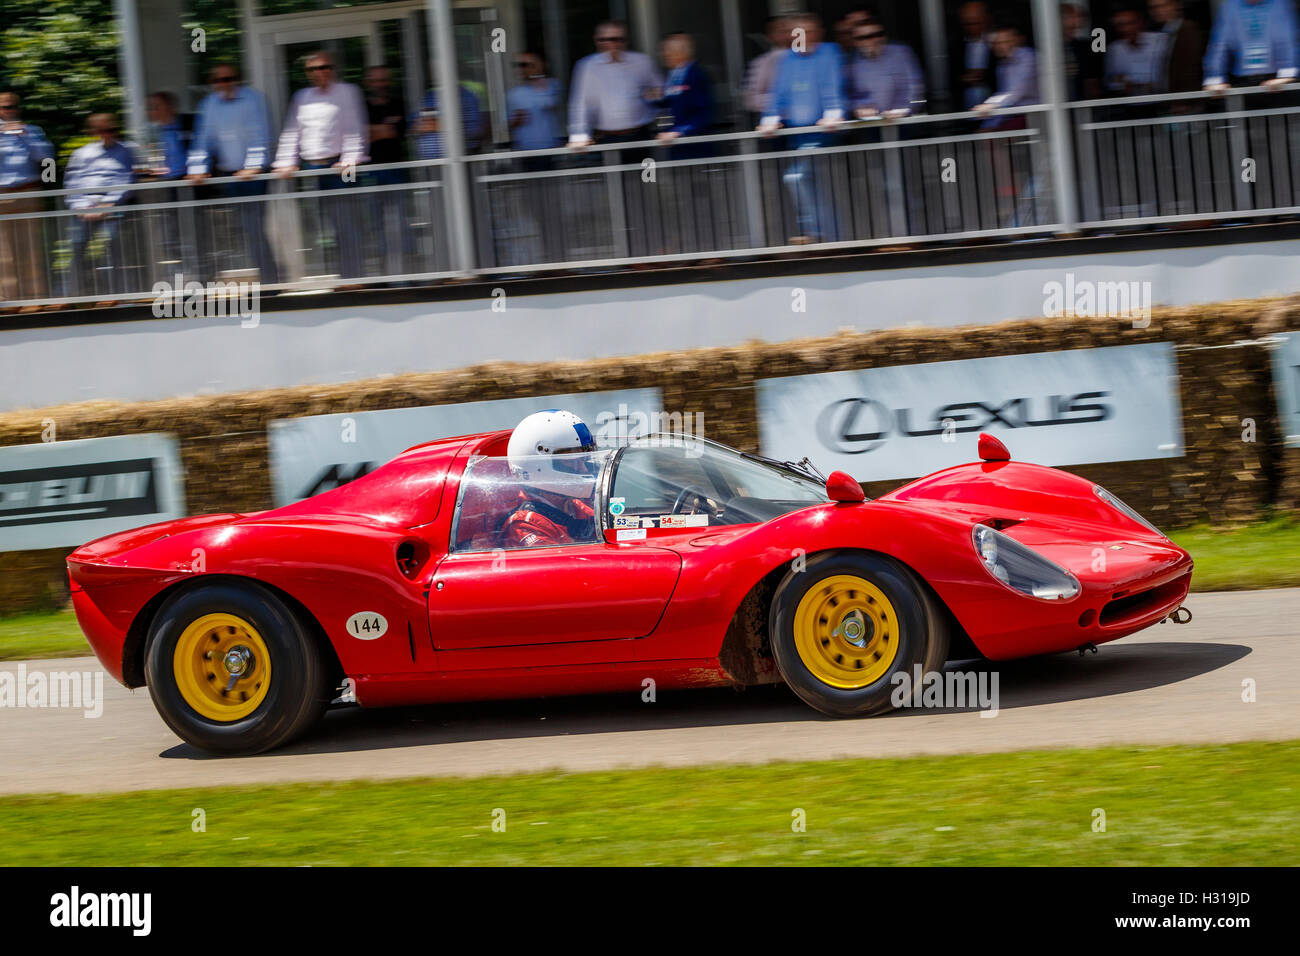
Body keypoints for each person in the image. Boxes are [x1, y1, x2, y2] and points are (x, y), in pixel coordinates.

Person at [274, 51, 369, 288]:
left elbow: (355, 129)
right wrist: (285, 161)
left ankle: (354, 278)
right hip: (312, 169)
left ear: (333, 69)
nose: (320, 72)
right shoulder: (302, 96)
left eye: (325, 67)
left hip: (341, 166)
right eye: (314, 69)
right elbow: (292, 131)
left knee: (347, 222)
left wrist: (350, 159)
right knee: (319, 225)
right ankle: (332, 275)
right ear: (307, 73)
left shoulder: (347, 92)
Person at [186, 64, 279, 285]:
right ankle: (267, 276)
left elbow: (260, 135)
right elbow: (203, 140)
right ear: (212, 83)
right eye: (219, 81)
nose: (224, 84)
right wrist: (198, 169)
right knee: (244, 230)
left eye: (229, 79)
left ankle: (271, 281)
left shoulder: (253, 99)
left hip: (254, 176)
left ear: (237, 79)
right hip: (230, 175)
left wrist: (253, 166)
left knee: (253, 227)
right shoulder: (209, 105)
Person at [757, 12, 845, 244]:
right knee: (802, 180)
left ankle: (825, 235)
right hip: (799, 134)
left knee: (800, 178)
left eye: (806, 32)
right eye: (797, 33)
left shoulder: (829, 52)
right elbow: (780, 93)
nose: (802, 37)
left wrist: (833, 114)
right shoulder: (788, 58)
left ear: (818, 33)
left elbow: (832, 85)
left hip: (824, 132)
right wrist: (771, 118)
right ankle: (818, 233)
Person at [63, 113, 136, 306]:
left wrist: (109, 204)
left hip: (112, 207)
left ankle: (116, 294)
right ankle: (69, 295)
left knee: (112, 243)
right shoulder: (81, 154)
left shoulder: (125, 151)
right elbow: (72, 183)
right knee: (76, 246)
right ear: (93, 132)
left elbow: (126, 180)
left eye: (112, 130)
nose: (108, 134)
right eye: (103, 130)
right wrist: (80, 207)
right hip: (84, 208)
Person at [500, 410, 599, 549]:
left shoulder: (574, 505)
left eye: (582, 459)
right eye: (571, 461)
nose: (584, 469)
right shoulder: (525, 527)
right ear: (538, 465)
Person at [567, 19, 664, 149]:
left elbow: (661, 92)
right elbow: (580, 104)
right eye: (605, 39)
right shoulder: (586, 66)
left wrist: (653, 97)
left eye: (617, 39)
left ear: (625, 40)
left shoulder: (642, 61)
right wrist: (579, 136)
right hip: (606, 138)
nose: (612, 44)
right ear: (597, 40)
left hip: (641, 135)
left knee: (647, 170)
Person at [0, 91, 53, 312]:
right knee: (4, 255)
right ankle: (8, 301)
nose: (8, 111)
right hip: (2, 196)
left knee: (31, 250)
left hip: (27, 193)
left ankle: (33, 299)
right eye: (4, 107)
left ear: (17, 108)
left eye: (11, 107)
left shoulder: (32, 131)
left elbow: (47, 158)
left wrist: (25, 137)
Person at [144, 91, 197, 281]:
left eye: (156, 106)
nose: (152, 111)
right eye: (151, 107)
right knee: (173, 239)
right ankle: (185, 281)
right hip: (169, 187)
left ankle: (202, 280)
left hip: (190, 186)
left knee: (194, 236)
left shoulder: (188, 124)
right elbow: (155, 161)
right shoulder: (154, 132)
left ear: (169, 107)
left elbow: (200, 148)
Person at [363, 64, 411, 279]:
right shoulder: (361, 107)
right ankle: (382, 275)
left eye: (383, 80)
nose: (379, 85)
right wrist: (382, 130)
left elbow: (397, 132)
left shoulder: (399, 104)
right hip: (370, 174)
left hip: (397, 171)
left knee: (399, 223)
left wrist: (375, 130)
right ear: (368, 83)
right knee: (375, 225)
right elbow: (361, 136)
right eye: (375, 81)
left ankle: (403, 274)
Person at [1202, 0, 1299, 93]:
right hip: (1242, 80)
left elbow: (1287, 40)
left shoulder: (1280, 4)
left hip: (1276, 79)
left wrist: (1286, 75)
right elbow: (1219, 44)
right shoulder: (1231, 6)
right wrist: (1214, 79)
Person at [847, 20, 926, 119]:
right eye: (864, 37)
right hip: (871, 126)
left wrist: (905, 109)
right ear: (855, 42)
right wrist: (859, 108)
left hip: (905, 122)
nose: (873, 40)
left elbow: (915, 86)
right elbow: (849, 94)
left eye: (877, 34)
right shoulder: (852, 62)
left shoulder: (901, 53)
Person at [656, 32, 715, 158]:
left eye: (669, 50)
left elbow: (702, 112)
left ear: (682, 52)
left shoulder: (696, 75)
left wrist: (679, 131)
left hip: (696, 146)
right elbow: (671, 102)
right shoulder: (674, 74)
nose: (665, 54)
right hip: (678, 145)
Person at [507, 51, 563, 158]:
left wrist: (539, 78)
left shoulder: (553, 85)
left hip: (551, 148)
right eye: (519, 65)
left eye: (527, 65)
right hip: (525, 150)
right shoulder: (514, 93)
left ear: (541, 64)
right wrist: (516, 120)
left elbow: (553, 104)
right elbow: (507, 125)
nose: (523, 69)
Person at [1105, 6, 1169, 95]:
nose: (1126, 29)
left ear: (1141, 23)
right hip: (1130, 104)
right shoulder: (1114, 49)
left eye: (1131, 23)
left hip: (1163, 100)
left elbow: (1169, 72)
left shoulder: (1160, 40)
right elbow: (1111, 80)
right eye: (1121, 25)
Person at [1148, 0, 1204, 95]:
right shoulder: (1164, 33)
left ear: (1176, 5)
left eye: (1163, 6)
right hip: (1168, 98)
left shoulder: (1188, 29)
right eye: (1153, 8)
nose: (1158, 11)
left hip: (1184, 101)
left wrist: (1184, 100)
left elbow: (1192, 68)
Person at [743, 16, 793, 120]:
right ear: (770, 36)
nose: (786, 35)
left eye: (789, 30)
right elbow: (750, 100)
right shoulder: (760, 63)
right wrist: (782, 100)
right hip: (774, 123)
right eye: (780, 31)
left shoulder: (805, 59)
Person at [1061, 3, 1104, 101]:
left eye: (1080, 17)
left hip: (1082, 107)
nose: (1078, 21)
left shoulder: (1085, 47)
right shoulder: (1046, 49)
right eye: (1072, 16)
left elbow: (1092, 86)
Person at [957, 1, 994, 110]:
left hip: (994, 109)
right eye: (968, 23)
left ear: (987, 19)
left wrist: (982, 76)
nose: (972, 27)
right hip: (965, 109)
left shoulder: (997, 42)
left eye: (976, 22)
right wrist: (964, 79)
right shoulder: (957, 46)